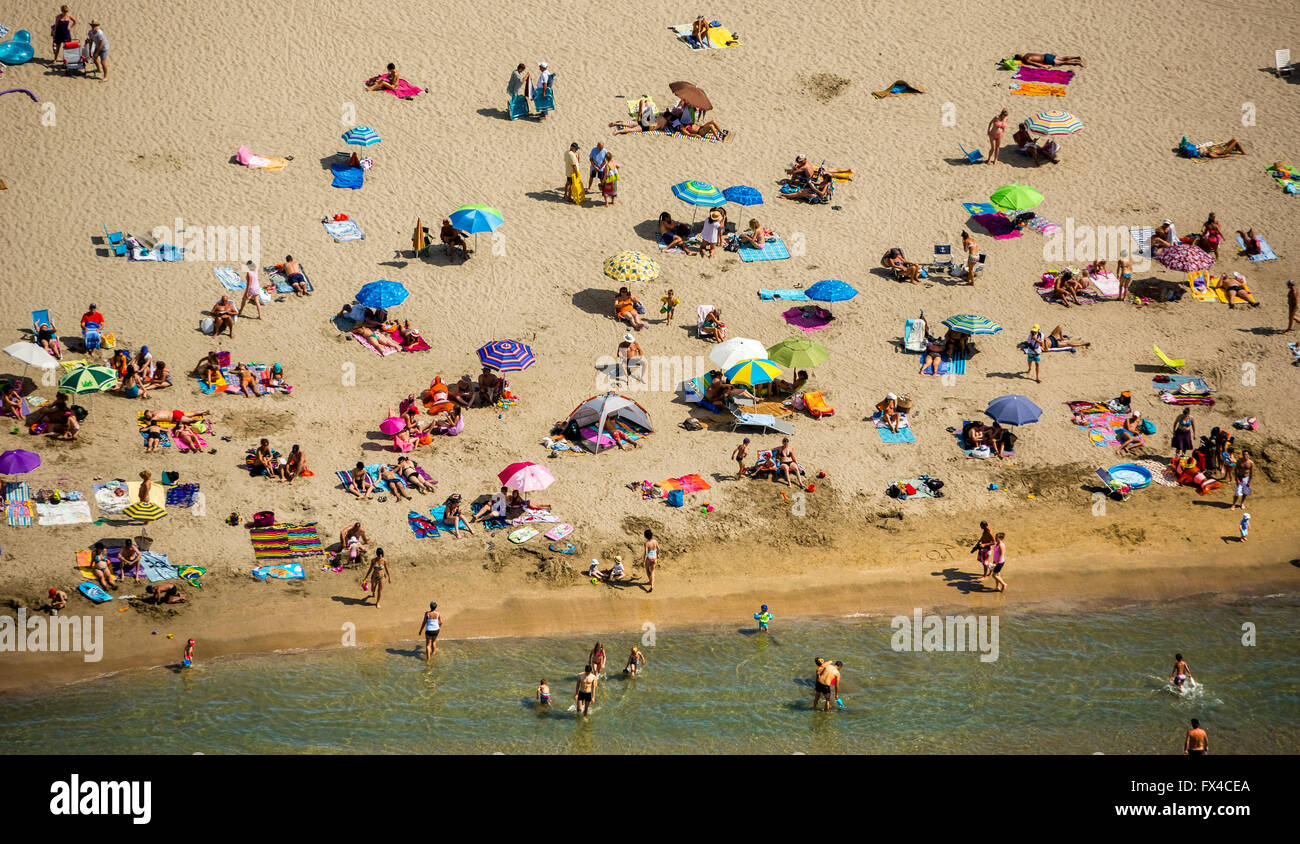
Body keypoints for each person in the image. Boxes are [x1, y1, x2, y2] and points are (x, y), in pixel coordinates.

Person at [1014, 52, 1084, 68]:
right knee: (1062, 58)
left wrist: (1044, 66)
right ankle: (1077, 57)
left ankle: (1078, 63)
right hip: (1046, 55)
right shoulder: (1027, 54)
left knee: (1063, 62)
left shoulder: (1025, 60)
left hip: (1046, 60)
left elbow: (1034, 64)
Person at [642, 528, 659, 593]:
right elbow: (658, 549)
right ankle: (652, 585)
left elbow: (646, 553)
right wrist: (657, 555)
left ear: (645, 536)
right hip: (654, 558)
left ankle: (650, 581)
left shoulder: (646, 543)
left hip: (649, 558)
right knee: (652, 571)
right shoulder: (655, 541)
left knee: (647, 569)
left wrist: (644, 561)